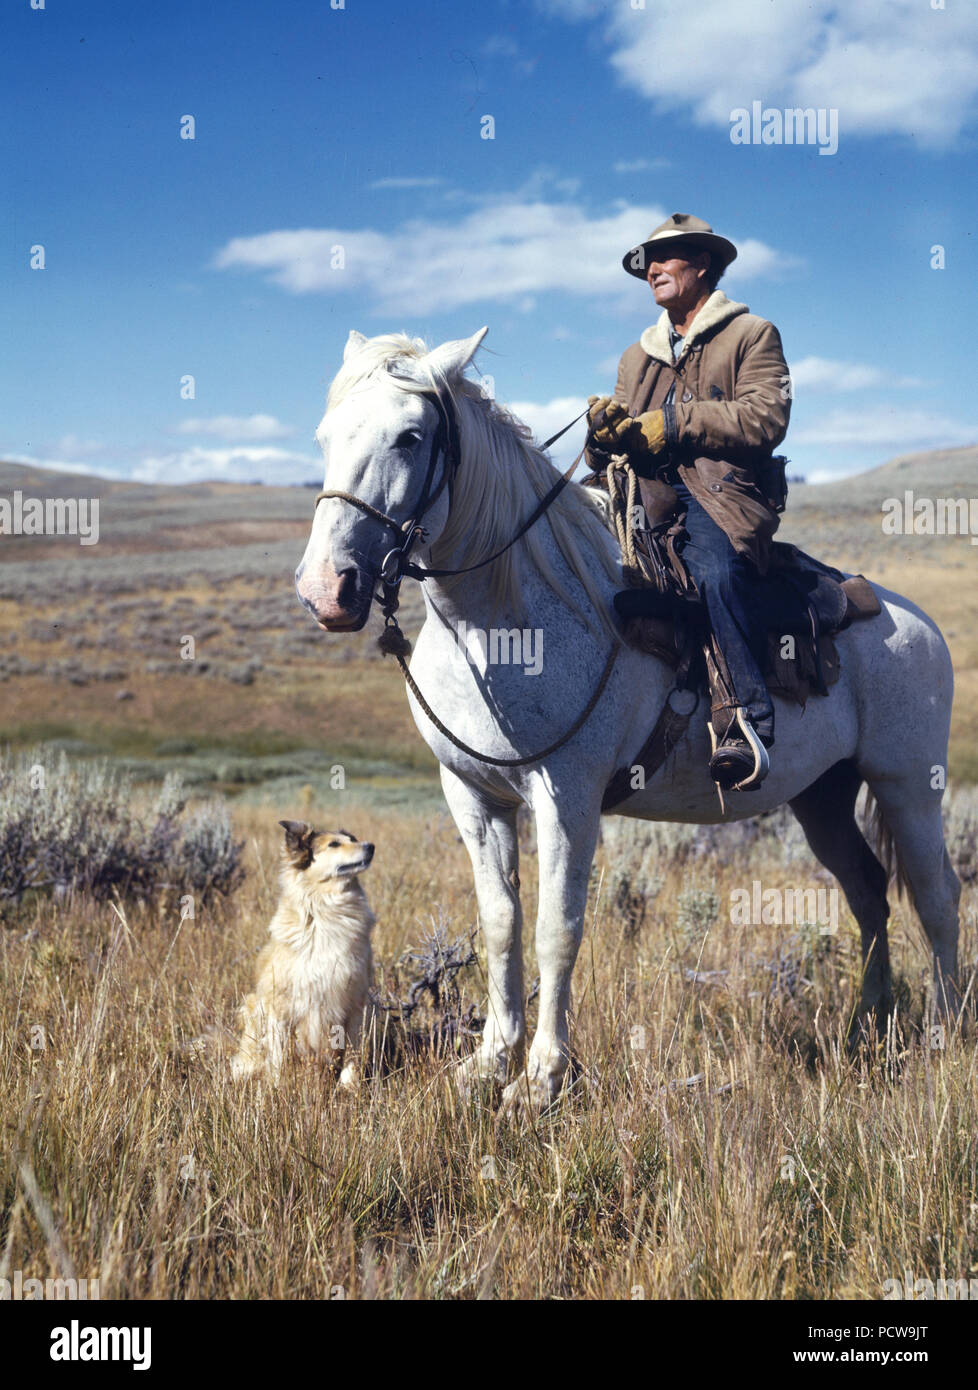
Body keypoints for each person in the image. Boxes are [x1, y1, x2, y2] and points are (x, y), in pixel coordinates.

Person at [588, 212, 792, 791]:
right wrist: (604, 436)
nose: (652, 270)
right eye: (647, 263)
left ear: (702, 264)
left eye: (666, 258)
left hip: (721, 494)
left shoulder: (751, 334)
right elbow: (626, 437)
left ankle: (742, 719)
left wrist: (673, 424)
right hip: (642, 491)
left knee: (716, 572)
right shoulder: (637, 356)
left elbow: (765, 417)